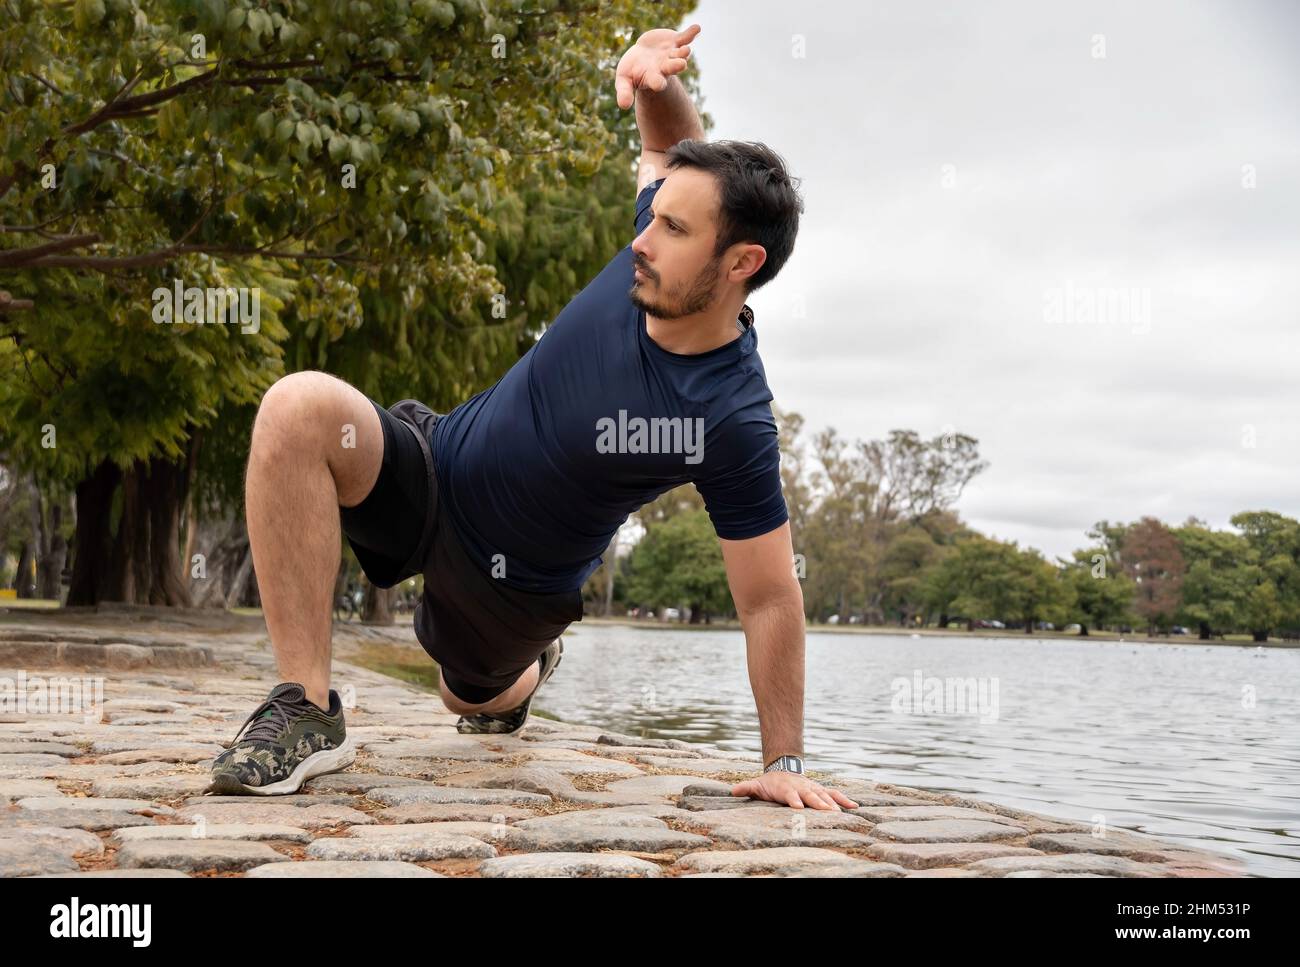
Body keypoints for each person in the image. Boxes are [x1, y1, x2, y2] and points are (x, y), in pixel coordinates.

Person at [209, 23, 857, 812]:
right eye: (654, 216)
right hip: (435, 461)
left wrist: (784, 759)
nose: (643, 237)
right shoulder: (657, 252)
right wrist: (655, 83)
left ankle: (526, 671)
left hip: (508, 588)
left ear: (739, 265)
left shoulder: (731, 417)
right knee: (296, 408)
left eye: (674, 229)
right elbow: (678, 151)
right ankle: (306, 709)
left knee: (467, 700)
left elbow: (768, 597)